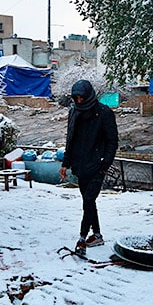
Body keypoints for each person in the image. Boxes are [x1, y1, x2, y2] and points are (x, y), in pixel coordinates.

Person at [59, 80, 119, 256]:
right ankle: (97, 235)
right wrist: (65, 163)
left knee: (88, 199)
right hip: (80, 165)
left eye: (82, 97)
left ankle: (82, 238)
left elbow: (112, 141)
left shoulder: (104, 113)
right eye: (76, 98)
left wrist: (105, 164)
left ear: (89, 96)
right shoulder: (74, 112)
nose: (79, 101)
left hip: (97, 165)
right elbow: (70, 139)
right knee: (89, 202)